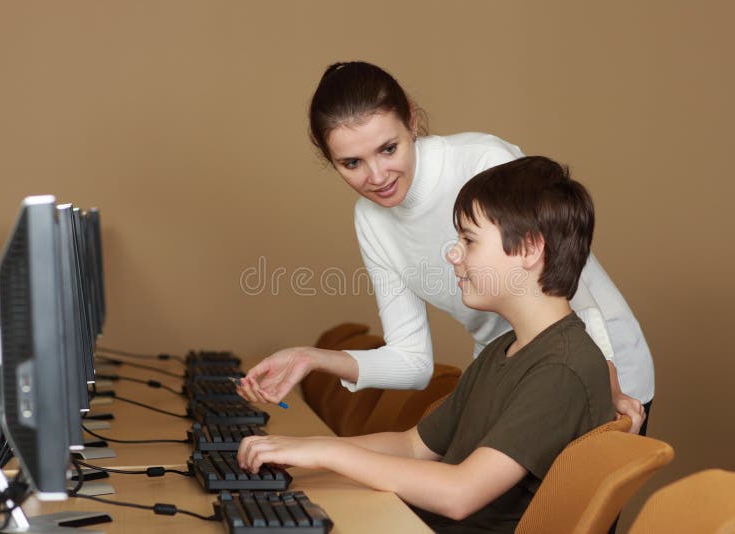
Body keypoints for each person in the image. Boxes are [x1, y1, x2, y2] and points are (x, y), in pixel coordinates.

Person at [237, 61, 653, 433]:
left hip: (598, 363)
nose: (377, 176)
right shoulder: (371, 220)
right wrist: (312, 358)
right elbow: (411, 361)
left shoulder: (481, 162)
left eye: (388, 148)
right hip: (510, 371)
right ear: (331, 160)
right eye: (352, 163)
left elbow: (568, 288)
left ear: (411, 122)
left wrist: (606, 382)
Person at [237, 156, 616, 533]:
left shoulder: (560, 370)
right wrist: (307, 450)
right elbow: (414, 446)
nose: (453, 254)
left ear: (530, 249)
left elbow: (459, 493)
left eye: (468, 239)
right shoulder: (506, 349)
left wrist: (327, 453)